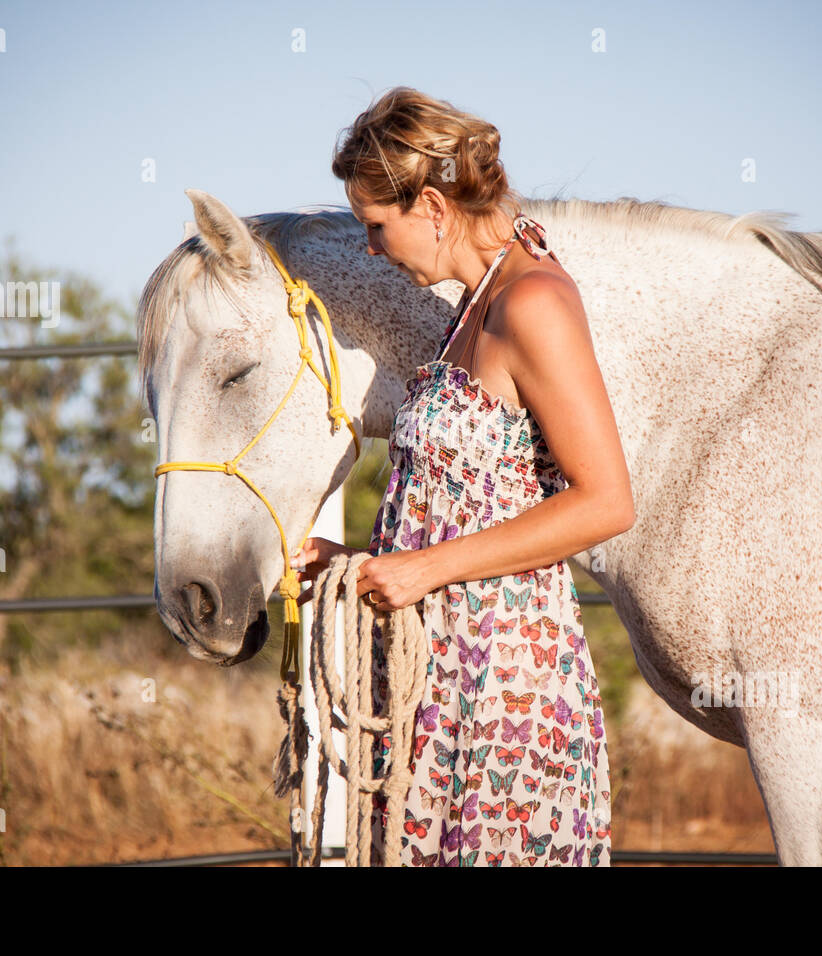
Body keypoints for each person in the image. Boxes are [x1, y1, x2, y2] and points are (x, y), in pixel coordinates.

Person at [291, 87, 634, 866]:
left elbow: (607, 500)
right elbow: (469, 503)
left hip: (503, 686)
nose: (372, 249)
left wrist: (423, 570)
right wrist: (356, 566)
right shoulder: (475, 308)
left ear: (435, 207)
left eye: (377, 226)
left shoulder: (534, 302)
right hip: (440, 673)